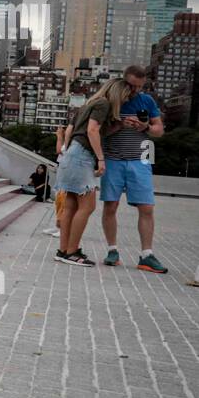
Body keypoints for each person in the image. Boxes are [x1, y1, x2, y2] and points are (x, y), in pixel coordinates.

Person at [52, 78, 132, 266]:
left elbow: (72, 131)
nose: (126, 100)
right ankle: (72, 252)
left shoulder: (88, 104)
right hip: (82, 156)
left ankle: (63, 250)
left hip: (71, 154)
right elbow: (92, 130)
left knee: (71, 206)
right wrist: (101, 159)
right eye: (125, 96)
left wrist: (118, 126)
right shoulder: (104, 103)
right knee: (87, 206)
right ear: (117, 93)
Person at [100, 66, 167, 273]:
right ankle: (112, 250)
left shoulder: (147, 100)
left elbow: (159, 131)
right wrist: (119, 124)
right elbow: (98, 130)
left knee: (147, 208)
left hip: (142, 159)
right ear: (123, 81)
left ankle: (146, 254)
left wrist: (144, 127)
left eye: (140, 86)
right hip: (113, 159)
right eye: (132, 86)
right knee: (110, 205)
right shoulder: (110, 100)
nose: (135, 90)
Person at [42, 120, 73, 237]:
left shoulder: (70, 142)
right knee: (59, 199)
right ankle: (58, 225)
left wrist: (59, 137)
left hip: (67, 171)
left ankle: (63, 228)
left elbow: (59, 150)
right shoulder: (67, 142)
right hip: (62, 169)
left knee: (64, 200)